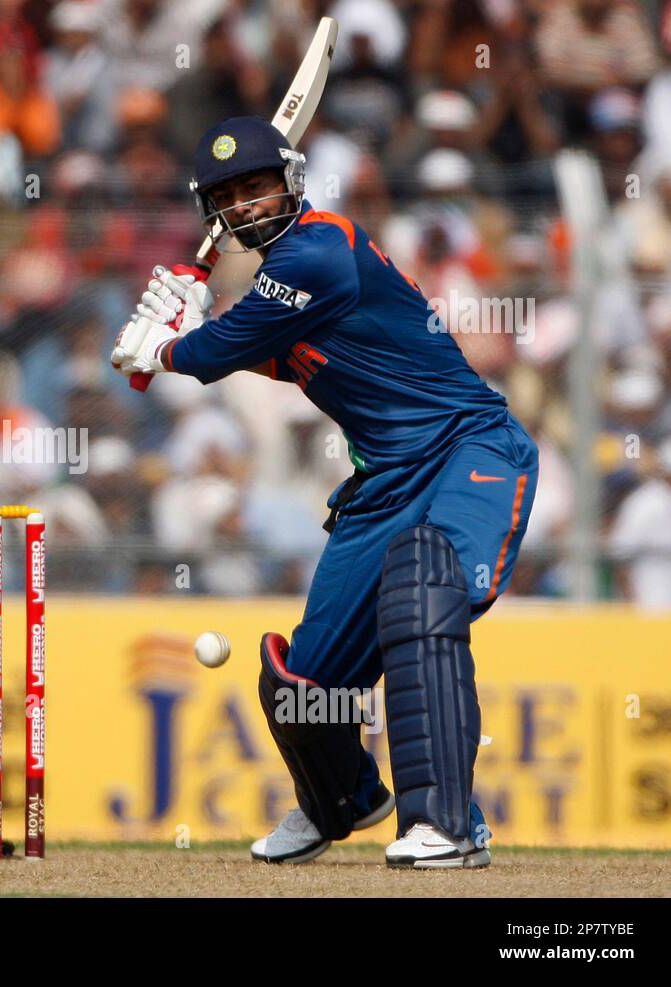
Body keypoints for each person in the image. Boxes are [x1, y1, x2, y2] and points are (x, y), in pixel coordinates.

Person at [111, 117, 538, 869]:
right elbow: (264, 349)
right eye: (227, 197)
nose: (243, 206)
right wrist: (194, 325)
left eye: (255, 186)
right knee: (303, 685)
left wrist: (170, 346)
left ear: (291, 182)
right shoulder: (286, 282)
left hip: (466, 448)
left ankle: (449, 825)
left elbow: (217, 352)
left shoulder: (320, 247)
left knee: (423, 590)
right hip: (384, 479)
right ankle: (339, 800)